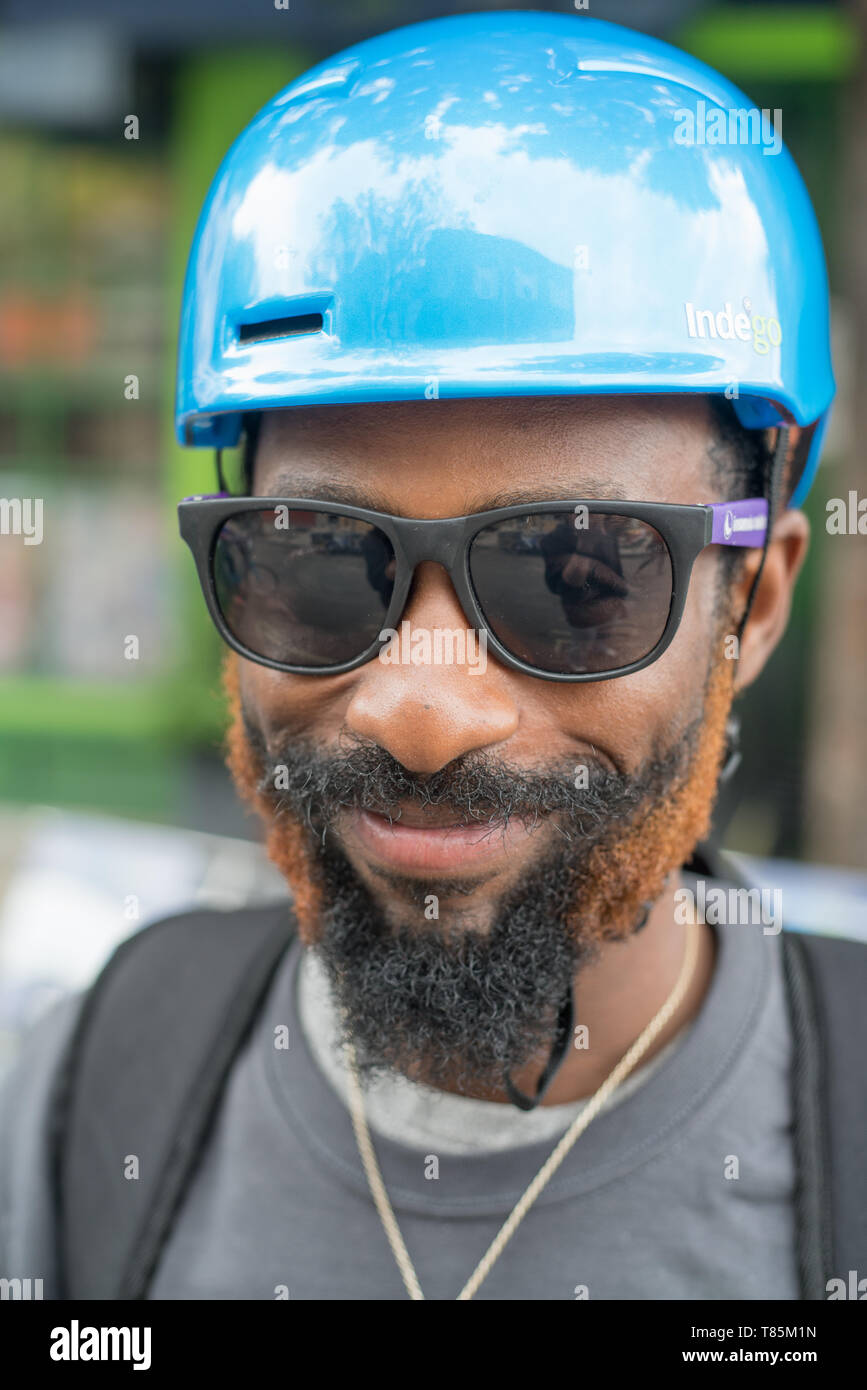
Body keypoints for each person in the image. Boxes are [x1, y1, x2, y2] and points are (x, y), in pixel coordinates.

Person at [1, 12, 860, 1303]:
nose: (420, 711)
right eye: (316, 559)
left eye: (578, 576)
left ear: (755, 601)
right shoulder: (85, 1093)